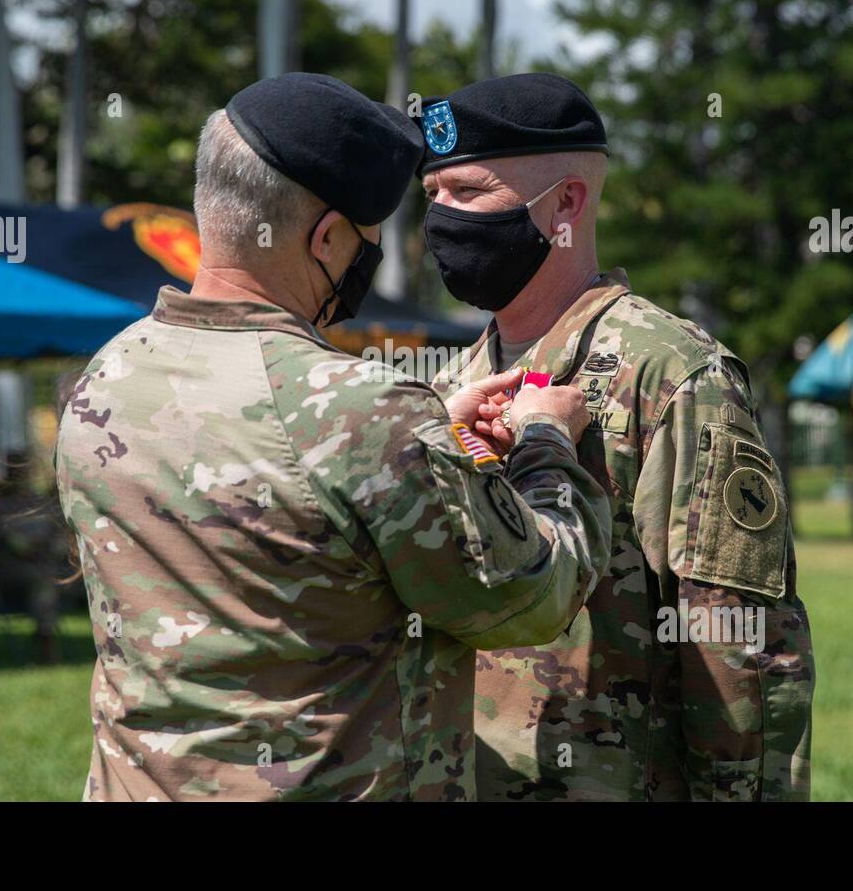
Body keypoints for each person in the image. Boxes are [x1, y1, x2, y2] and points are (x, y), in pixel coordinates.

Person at [56, 72, 611, 802]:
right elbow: (530, 596)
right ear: (326, 239)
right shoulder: (363, 411)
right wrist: (545, 444)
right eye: (364, 246)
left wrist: (429, 439)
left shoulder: (109, 375)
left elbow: (270, 489)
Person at [418, 72, 815, 801]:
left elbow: (737, 649)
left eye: (468, 194)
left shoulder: (672, 375)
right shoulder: (450, 384)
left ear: (567, 203)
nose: (441, 217)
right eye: (432, 195)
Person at [0, 454, 67, 663]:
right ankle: (47, 647)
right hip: (12, 577)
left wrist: (52, 545)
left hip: (48, 569)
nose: (22, 475)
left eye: (25, 470)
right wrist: (44, 544)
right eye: (16, 470)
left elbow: (60, 542)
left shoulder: (41, 503)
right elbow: (18, 545)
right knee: (45, 582)